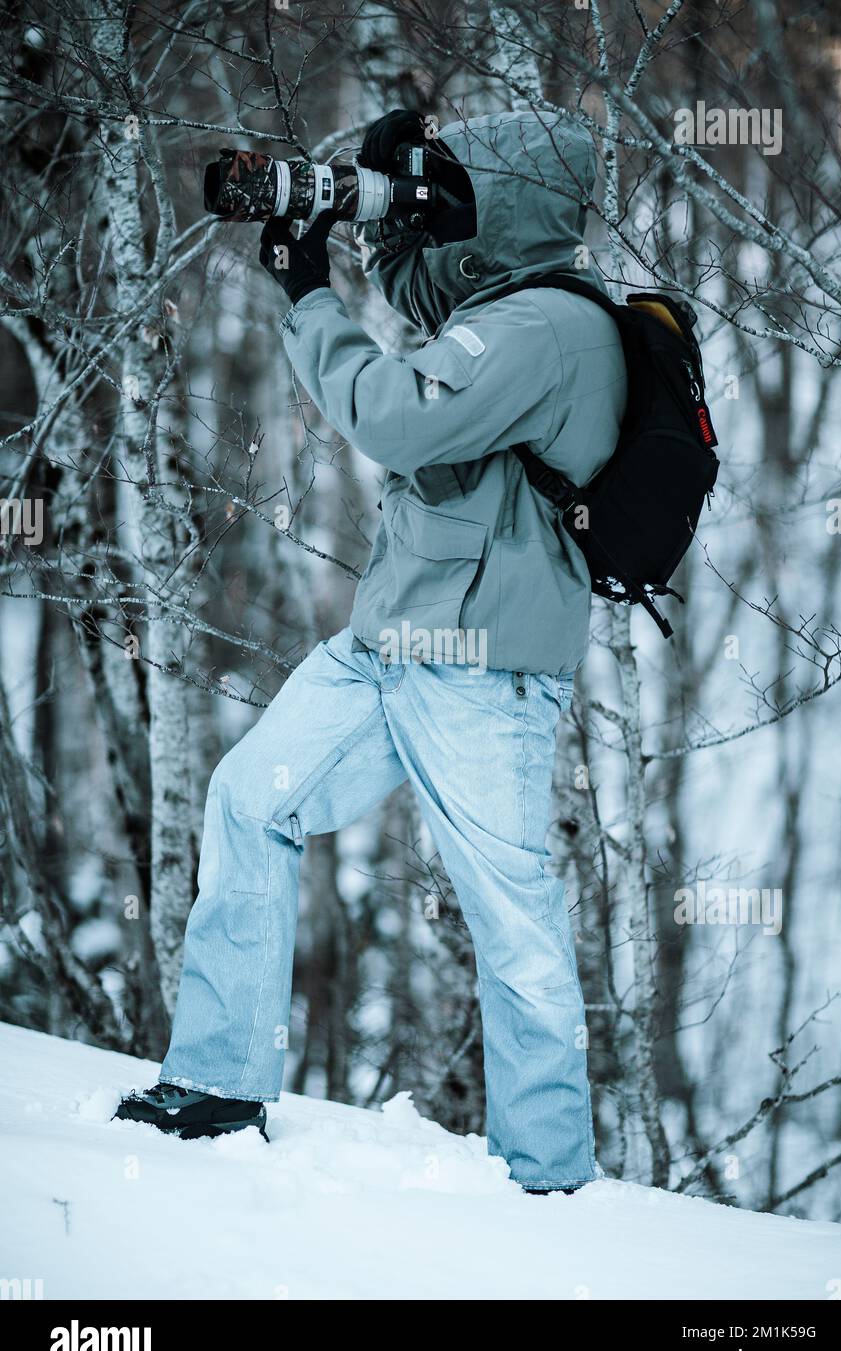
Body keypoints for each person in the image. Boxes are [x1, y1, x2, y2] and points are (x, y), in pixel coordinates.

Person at [116, 108, 627, 1193]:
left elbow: (395, 415)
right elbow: (424, 296)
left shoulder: (549, 327)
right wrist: (374, 212)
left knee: (513, 920)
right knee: (251, 798)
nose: (443, 200)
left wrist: (307, 296)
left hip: (482, 673)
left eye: (458, 186)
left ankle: (550, 1179)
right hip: (388, 643)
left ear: (511, 203)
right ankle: (218, 1081)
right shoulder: (503, 298)